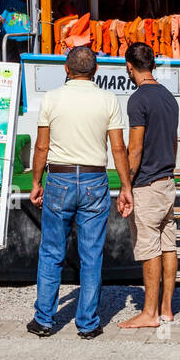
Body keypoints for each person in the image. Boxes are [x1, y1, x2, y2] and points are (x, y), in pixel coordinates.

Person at [27, 46, 133, 339]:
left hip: (59, 179)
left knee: (51, 252)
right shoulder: (108, 99)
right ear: (95, 70)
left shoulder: (51, 98)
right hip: (93, 179)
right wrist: (126, 187)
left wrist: (37, 182)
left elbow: (41, 146)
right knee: (91, 254)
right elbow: (118, 148)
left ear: (66, 69)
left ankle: (44, 320)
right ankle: (87, 323)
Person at [117, 42, 179, 328]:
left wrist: (126, 185)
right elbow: (174, 142)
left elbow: (136, 148)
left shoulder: (138, 100)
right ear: (152, 64)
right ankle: (166, 308)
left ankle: (150, 313)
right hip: (168, 181)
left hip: (147, 184)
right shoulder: (169, 98)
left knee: (150, 247)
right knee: (168, 245)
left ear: (130, 67)